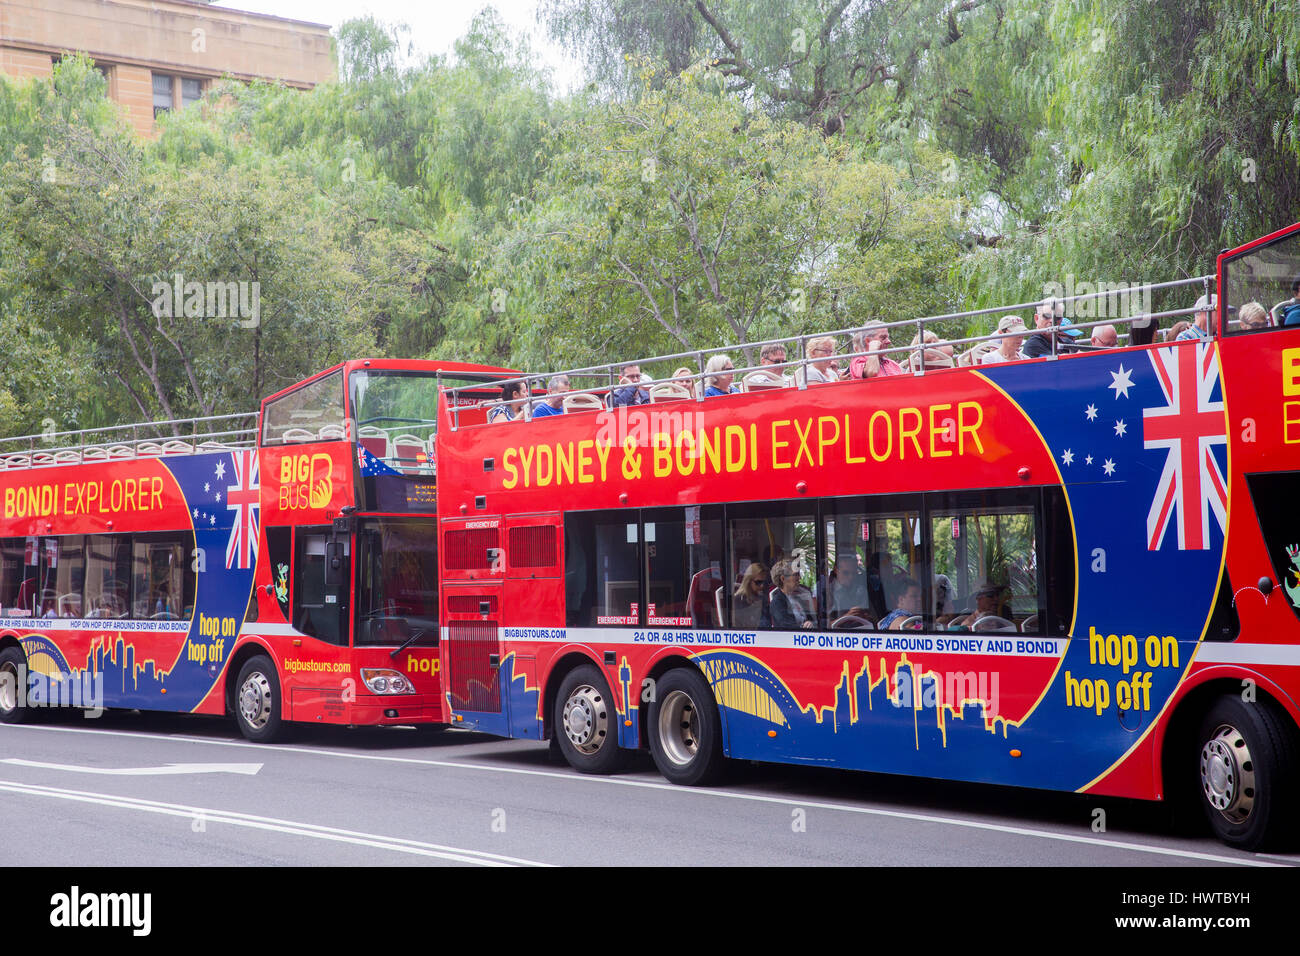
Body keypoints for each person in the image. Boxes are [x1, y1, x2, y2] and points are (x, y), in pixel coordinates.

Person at [769, 560, 815, 629]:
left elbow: (811, 618)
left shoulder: (799, 597)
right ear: (783, 578)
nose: (799, 578)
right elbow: (788, 627)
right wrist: (803, 626)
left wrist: (810, 622)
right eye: (796, 575)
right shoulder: (777, 602)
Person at [826, 553, 871, 620]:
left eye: (853, 573)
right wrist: (847, 617)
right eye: (846, 573)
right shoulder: (828, 592)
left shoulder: (861, 591)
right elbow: (825, 625)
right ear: (836, 570)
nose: (851, 577)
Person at [732, 562, 771, 629]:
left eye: (765, 582)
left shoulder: (762, 597)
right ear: (749, 581)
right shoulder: (739, 600)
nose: (762, 586)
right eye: (758, 582)